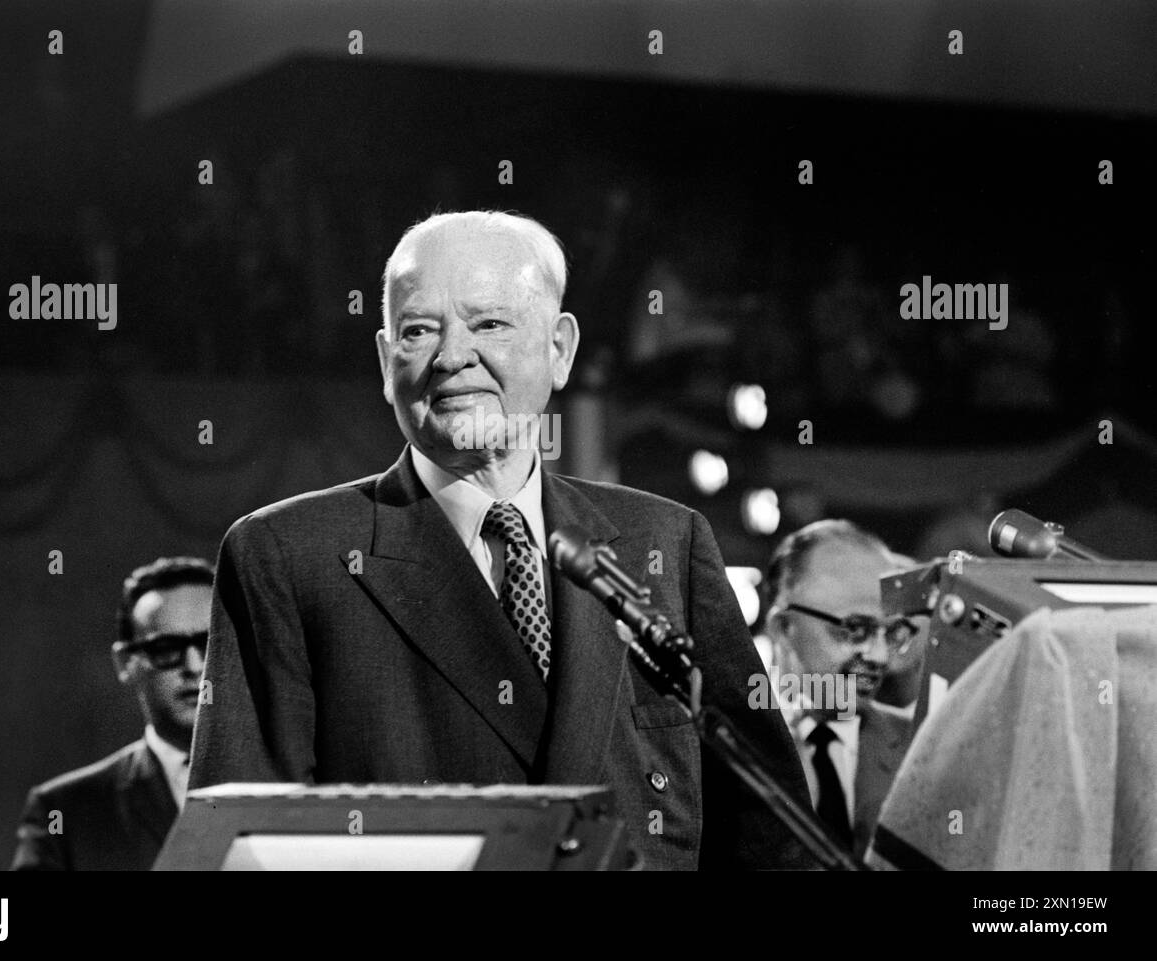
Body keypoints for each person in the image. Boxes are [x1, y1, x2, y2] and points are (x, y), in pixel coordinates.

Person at [188, 210, 813, 870]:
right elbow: (235, 849)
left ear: (560, 348)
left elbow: (770, 837)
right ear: (383, 360)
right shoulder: (288, 555)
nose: (452, 356)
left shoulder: (667, 542)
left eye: (488, 323)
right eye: (419, 330)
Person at [11, 557, 214, 870]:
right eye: (165, 648)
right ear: (125, 663)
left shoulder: (299, 782)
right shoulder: (67, 811)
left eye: (211, 644)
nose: (194, 666)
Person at [763, 520, 921, 859]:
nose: (879, 657)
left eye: (890, 632)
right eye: (855, 629)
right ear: (784, 628)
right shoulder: (726, 748)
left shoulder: (921, 749)